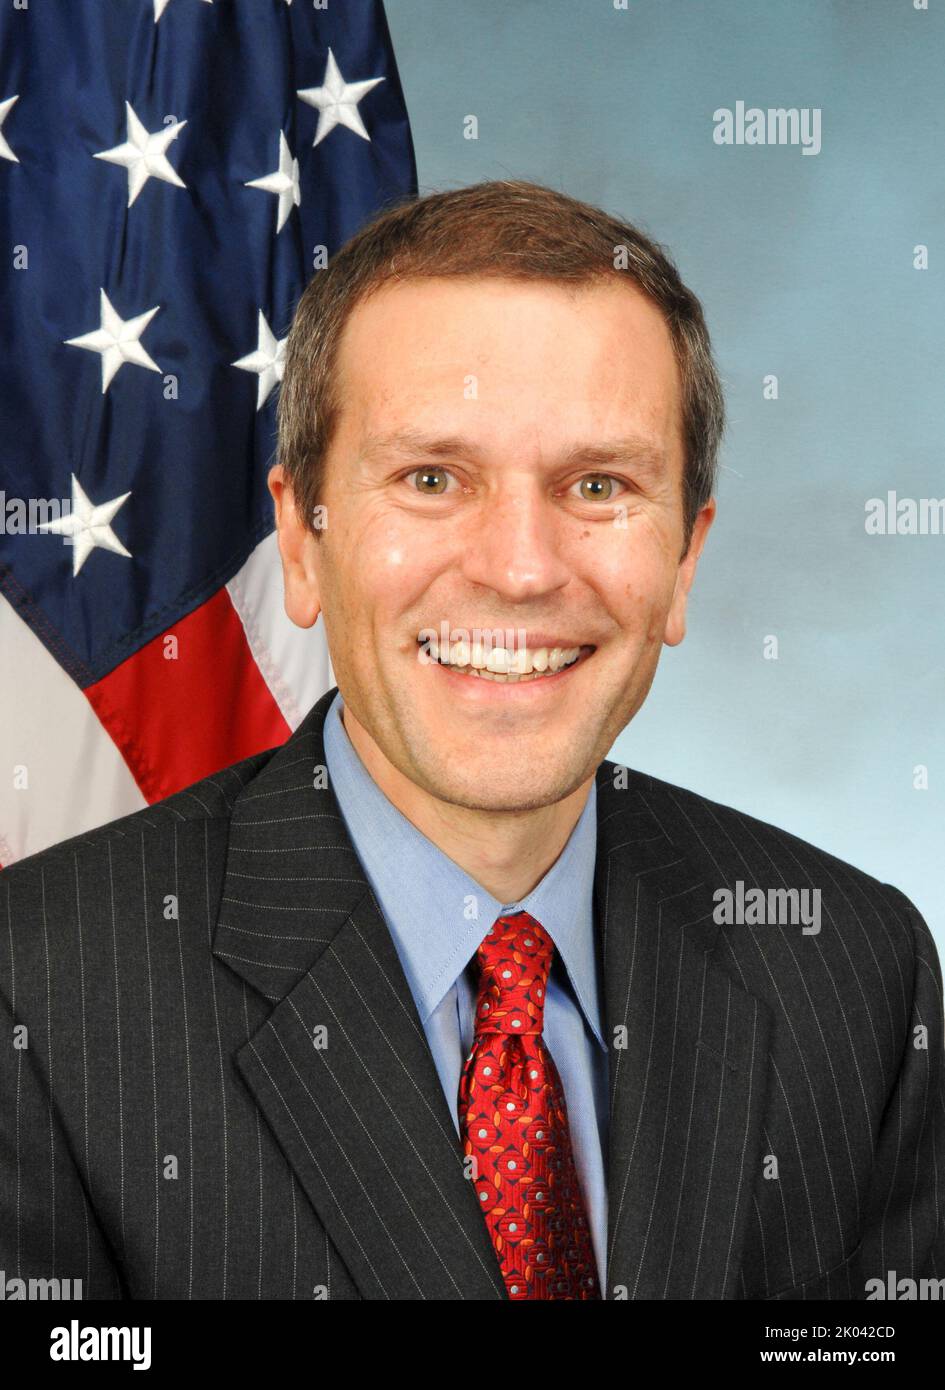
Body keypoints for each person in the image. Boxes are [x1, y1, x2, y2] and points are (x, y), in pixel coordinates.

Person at [1, 180, 941, 1301]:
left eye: (598, 484)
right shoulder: (44, 996)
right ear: (302, 540)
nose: (520, 566)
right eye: (433, 479)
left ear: (685, 559)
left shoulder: (853, 970)